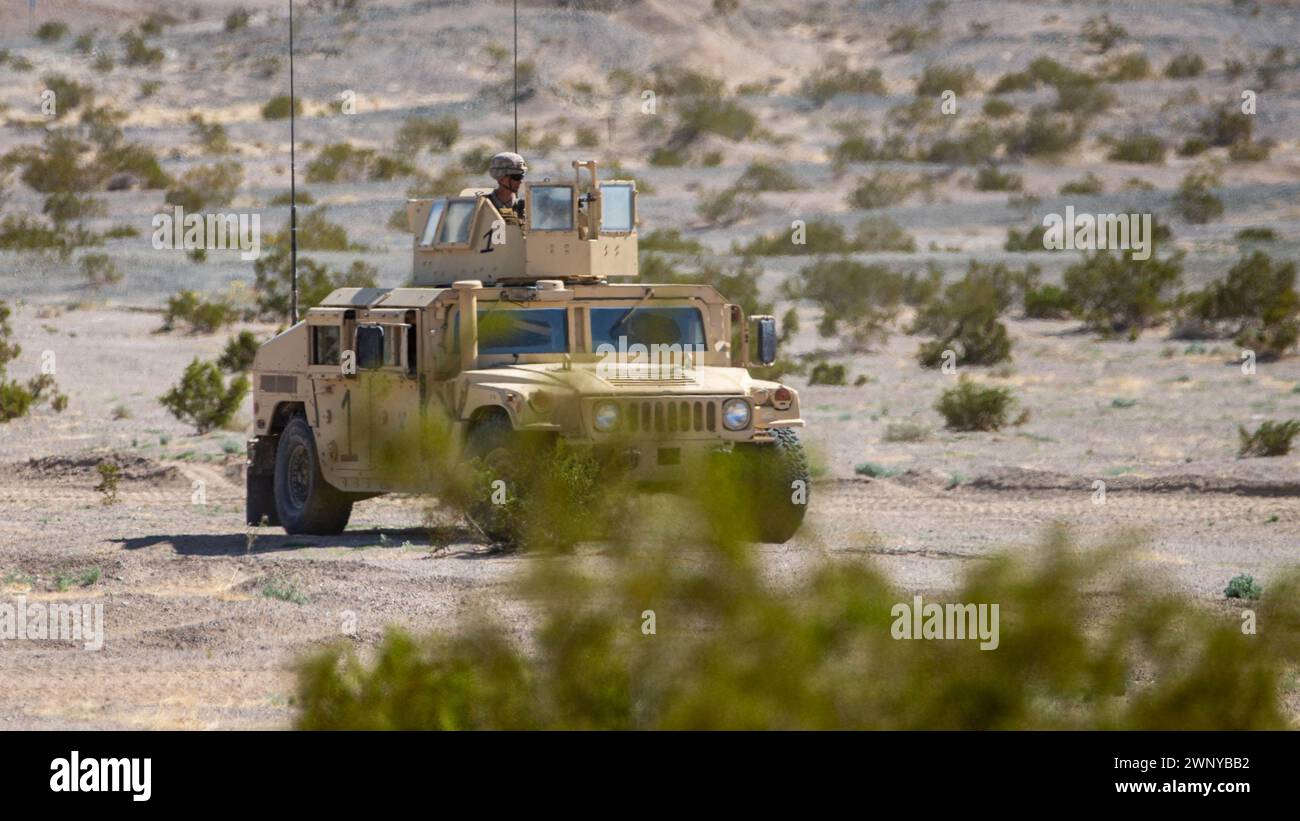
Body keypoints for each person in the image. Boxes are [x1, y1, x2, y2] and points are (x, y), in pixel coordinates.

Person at [486, 151, 527, 223]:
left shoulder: (523, 207)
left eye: (521, 177)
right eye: (516, 177)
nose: (520, 181)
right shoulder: (484, 206)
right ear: (501, 177)